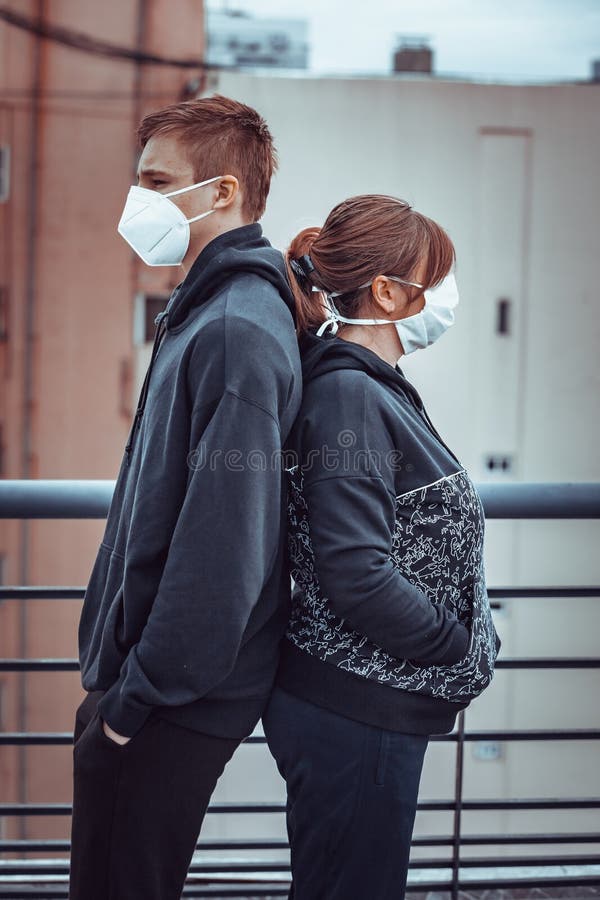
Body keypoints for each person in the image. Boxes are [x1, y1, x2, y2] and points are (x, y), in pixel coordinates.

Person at [69, 95, 302, 900]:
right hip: (151, 687)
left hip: (168, 700)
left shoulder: (236, 329)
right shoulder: (208, 312)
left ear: (224, 193)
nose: (138, 200)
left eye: (158, 182)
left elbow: (222, 554)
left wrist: (130, 707)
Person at [262, 194, 501, 900]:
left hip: (366, 709)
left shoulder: (372, 390)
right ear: (390, 293)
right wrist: (457, 649)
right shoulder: (350, 397)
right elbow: (357, 574)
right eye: (438, 277)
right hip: (355, 714)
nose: (448, 294)